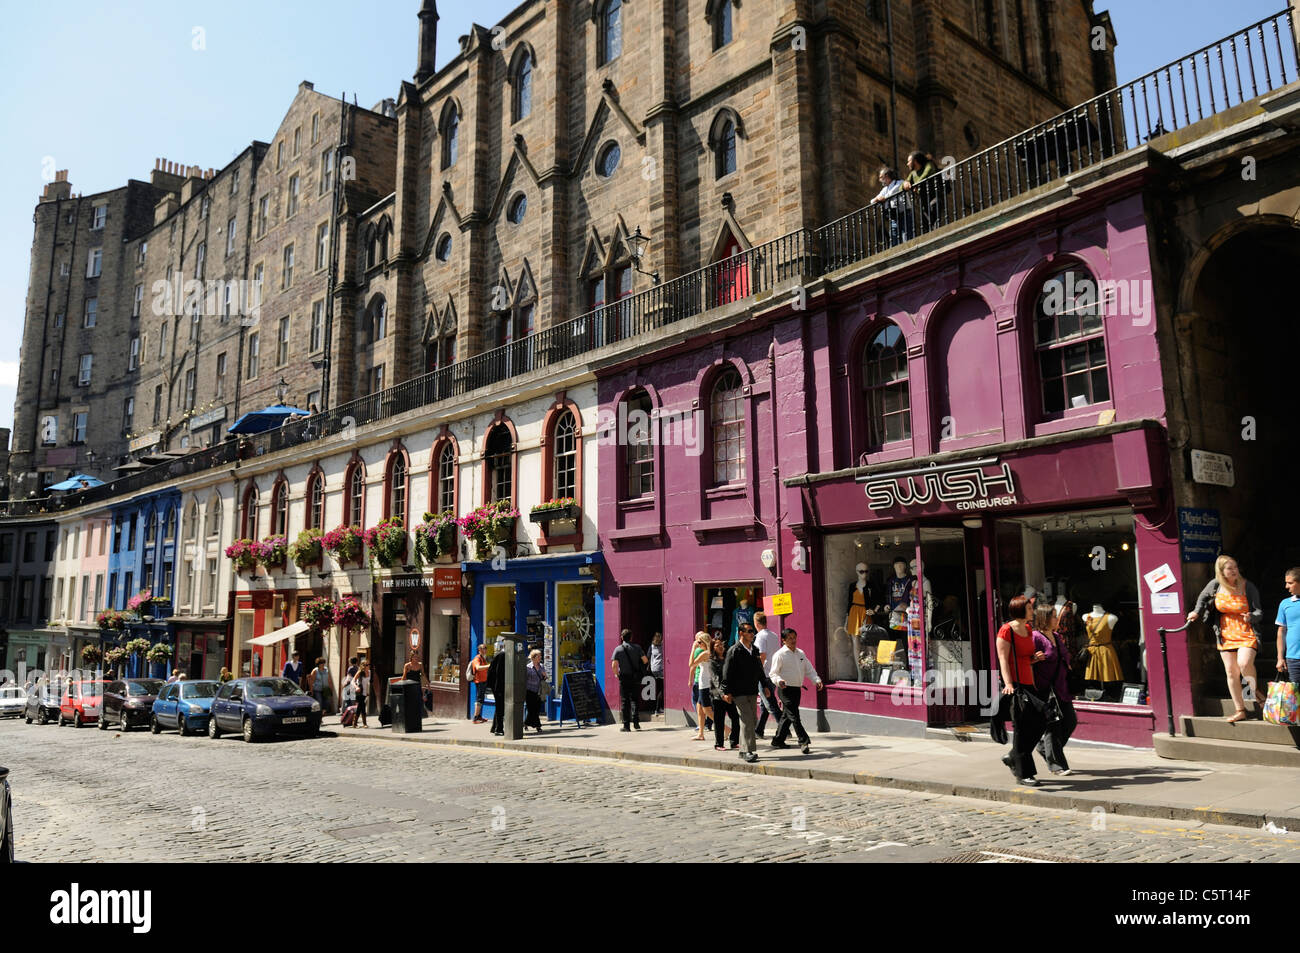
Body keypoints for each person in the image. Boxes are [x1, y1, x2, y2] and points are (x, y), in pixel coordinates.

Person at [1188, 554, 1266, 723]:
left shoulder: (1248, 586)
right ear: (1222, 572)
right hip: (1225, 635)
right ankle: (1240, 710)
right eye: (1230, 568)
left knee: (1244, 663)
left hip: (1246, 632)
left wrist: (1251, 616)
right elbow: (1202, 598)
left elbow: (1259, 612)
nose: (1234, 571)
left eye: (1235, 567)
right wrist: (1196, 612)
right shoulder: (1215, 585)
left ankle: (1257, 693)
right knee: (1231, 673)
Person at [996, 594, 1048, 785]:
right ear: (1019, 610)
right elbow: (1003, 659)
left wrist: (1036, 658)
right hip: (1016, 686)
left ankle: (1013, 756)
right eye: (1028, 609)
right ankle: (1024, 773)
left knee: (1041, 722)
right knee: (1022, 728)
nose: (1032, 611)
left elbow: (1025, 658)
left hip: (1029, 683)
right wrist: (1008, 684)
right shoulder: (1006, 630)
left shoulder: (1027, 628)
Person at [1031, 603, 1076, 776]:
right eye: (1054, 616)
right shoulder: (1035, 637)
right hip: (1046, 689)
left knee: (1070, 721)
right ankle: (1056, 765)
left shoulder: (1057, 636)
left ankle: (1044, 748)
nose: (1057, 619)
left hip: (1062, 687)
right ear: (1044, 618)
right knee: (1053, 726)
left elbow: (1064, 657)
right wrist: (1034, 659)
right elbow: (1024, 661)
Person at [767, 627, 824, 754]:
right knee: (794, 716)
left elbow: (809, 669)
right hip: (785, 689)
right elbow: (773, 674)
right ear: (783, 641)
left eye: (794, 638)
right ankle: (803, 741)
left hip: (797, 689)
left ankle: (778, 740)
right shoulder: (779, 655)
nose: (793, 640)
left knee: (787, 716)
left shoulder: (800, 653)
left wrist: (817, 680)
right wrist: (779, 681)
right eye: (789, 638)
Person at [722, 623, 764, 763]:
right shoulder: (734, 650)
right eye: (749, 631)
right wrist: (726, 691)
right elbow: (726, 673)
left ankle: (742, 750)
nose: (752, 634)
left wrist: (765, 685)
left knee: (753, 719)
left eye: (753, 631)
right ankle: (748, 750)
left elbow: (759, 670)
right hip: (738, 692)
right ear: (741, 633)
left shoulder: (755, 650)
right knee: (747, 719)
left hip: (752, 690)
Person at [611, 628, 648, 731]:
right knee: (635, 700)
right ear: (631, 637)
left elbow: (614, 665)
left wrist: (616, 674)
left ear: (621, 637)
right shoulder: (637, 647)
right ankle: (636, 723)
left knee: (624, 701)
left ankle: (626, 726)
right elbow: (645, 660)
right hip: (635, 677)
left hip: (624, 677)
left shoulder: (618, 649)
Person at [752, 613, 782, 737]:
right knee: (765, 704)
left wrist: (757, 672)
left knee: (770, 704)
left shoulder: (760, 636)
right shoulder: (774, 635)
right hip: (773, 672)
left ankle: (784, 729)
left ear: (757, 624)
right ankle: (759, 731)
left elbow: (762, 655)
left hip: (764, 674)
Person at [707, 637, 739, 751]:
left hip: (729, 694)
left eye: (721, 644)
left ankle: (734, 741)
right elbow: (715, 680)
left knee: (735, 717)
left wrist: (732, 692)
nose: (720, 647)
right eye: (717, 645)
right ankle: (719, 744)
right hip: (717, 695)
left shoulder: (727, 658)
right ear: (712, 648)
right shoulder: (711, 661)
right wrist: (722, 694)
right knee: (719, 720)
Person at [1276, 568, 1300, 683]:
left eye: (1290, 583)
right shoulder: (1285, 604)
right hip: (1293, 658)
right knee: (1295, 697)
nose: (1286, 586)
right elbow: (1281, 632)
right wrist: (1280, 658)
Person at [688, 631, 713, 741]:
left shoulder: (704, 653)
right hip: (704, 683)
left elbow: (691, 664)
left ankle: (726, 728)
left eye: (699, 642)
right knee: (699, 709)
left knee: (706, 710)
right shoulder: (709, 652)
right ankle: (701, 733)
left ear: (704, 642)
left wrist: (693, 648)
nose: (697, 643)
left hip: (704, 684)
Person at [524, 649, 546, 733]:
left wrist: (544, 676)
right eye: (538, 656)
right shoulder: (528, 667)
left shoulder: (541, 666)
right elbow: (525, 678)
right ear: (533, 658)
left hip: (538, 691)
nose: (540, 657)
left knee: (536, 709)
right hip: (529, 690)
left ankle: (526, 723)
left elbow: (544, 677)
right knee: (531, 709)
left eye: (540, 656)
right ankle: (538, 726)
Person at [467, 644, 490, 723]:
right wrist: (488, 666)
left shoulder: (483, 658)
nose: (485, 650)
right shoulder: (477, 658)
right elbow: (478, 668)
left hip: (483, 681)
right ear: (479, 650)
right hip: (479, 681)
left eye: (486, 648)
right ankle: (475, 718)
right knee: (479, 699)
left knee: (481, 698)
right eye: (483, 648)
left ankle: (479, 716)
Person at [486, 648, 506, 736]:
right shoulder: (503, 655)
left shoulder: (503, 654)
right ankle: (499, 729)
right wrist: (498, 688)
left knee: (499, 706)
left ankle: (494, 727)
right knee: (500, 707)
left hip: (498, 686)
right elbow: (498, 672)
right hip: (498, 686)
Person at [648, 632, 665, 715]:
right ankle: (658, 708)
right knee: (662, 689)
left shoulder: (651, 646)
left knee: (657, 689)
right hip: (661, 669)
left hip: (653, 669)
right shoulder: (663, 646)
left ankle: (655, 708)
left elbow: (648, 656)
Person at [351, 659, 370, 728]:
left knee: (361, 707)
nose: (368, 666)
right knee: (362, 707)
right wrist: (356, 687)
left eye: (368, 665)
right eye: (366, 665)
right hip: (359, 692)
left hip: (364, 693)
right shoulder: (360, 672)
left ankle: (355, 723)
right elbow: (352, 681)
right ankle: (363, 723)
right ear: (363, 666)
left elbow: (367, 683)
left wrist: (367, 691)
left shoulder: (369, 672)